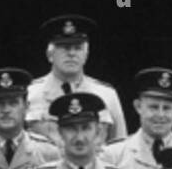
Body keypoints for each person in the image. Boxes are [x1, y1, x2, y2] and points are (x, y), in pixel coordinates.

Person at [24, 15, 127, 144]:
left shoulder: (107, 95)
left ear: (86, 55)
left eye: (78, 48)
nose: (72, 53)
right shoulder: (30, 94)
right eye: (65, 48)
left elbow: (120, 149)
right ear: (50, 55)